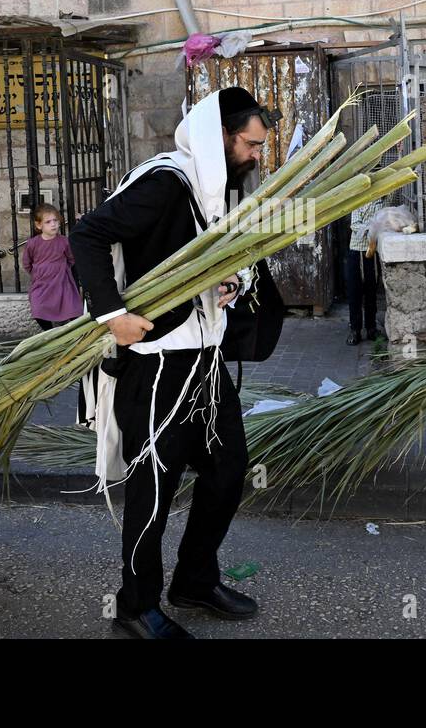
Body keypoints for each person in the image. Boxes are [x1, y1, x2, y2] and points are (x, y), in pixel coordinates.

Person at [70, 86, 278, 639]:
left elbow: (223, 259)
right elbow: (87, 234)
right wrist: (111, 314)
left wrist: (234, 282)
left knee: (228, 469)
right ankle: (136, 604)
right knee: (153, 489)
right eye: (251, 145)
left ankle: (194, 579)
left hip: (205, 359)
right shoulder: (165, 182)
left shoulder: (217, 193)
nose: (257, 156)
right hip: (158, 364)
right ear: (221, 137)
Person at [21, 202, 83, 331]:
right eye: (48, 222)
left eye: (55, 220)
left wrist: (61, 268)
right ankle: (49, 332)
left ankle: (74, 333)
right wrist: (39, 272)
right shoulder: (33, 243)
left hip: (62, 281)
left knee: (71, 308)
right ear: (39, 225)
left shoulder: (64, 241)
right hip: (42, 283)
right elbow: (27, 263)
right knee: (38, 308)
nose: (53, 224)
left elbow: (71, 258)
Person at [345, 198, 384, 345]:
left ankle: (371, 328)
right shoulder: (358, 202)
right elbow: (354, 225)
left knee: (371, 291)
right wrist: (370, 230)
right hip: (356, 251)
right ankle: (355, 330)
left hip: (372, 253)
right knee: (354, 292)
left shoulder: (381, 202)